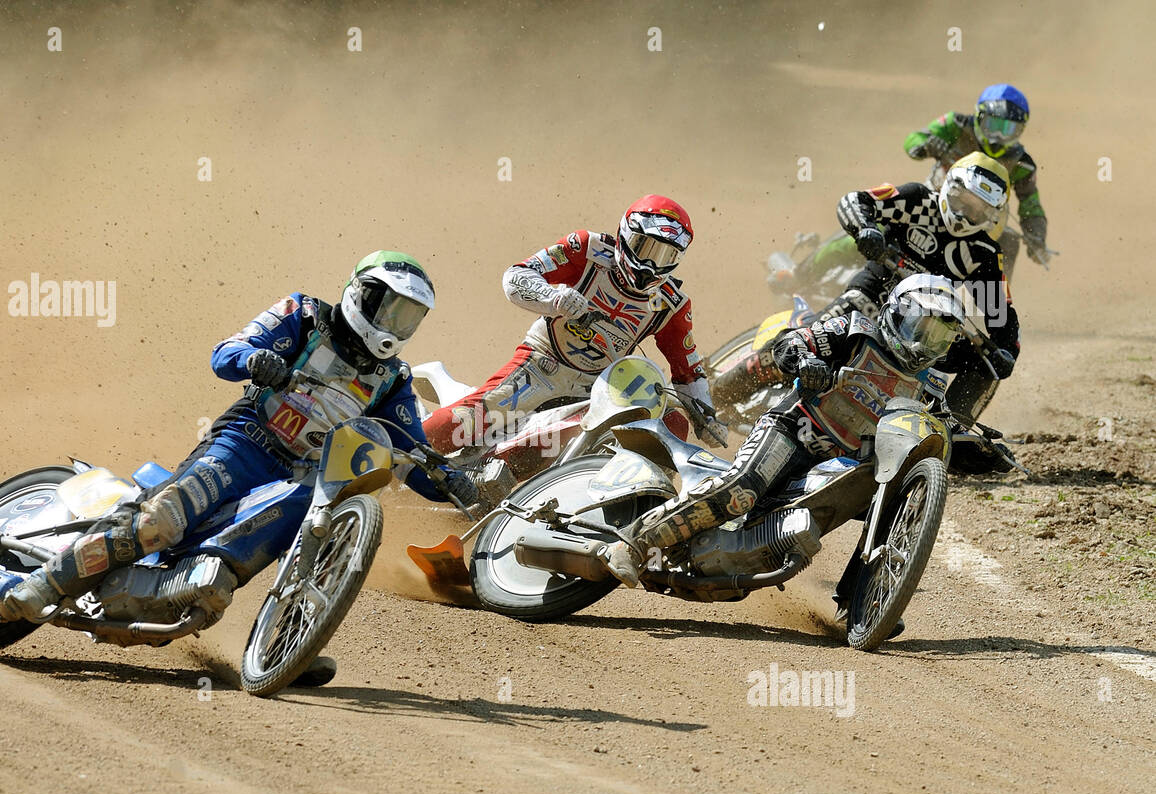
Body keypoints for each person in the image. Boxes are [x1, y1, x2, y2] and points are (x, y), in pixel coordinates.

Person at [1, 251, 474, 622]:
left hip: (306, 477)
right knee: (160, 520)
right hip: (245, 443)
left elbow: (410, 448)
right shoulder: (305, 314)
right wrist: (255, 361)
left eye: (407, 317)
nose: (395, 326)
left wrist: (455, 483)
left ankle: (295, 632)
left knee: (324, 544)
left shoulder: (393, 380)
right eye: (389, 309)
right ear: (361, 293)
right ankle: (46, 583)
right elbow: (226, 352)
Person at [601, 274, 969, 600]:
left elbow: (938, 424)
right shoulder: (855, 331)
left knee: (889, 501)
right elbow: (791, 344)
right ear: (896, 313)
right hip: (792, 429)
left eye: (940, 338)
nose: (926, 345)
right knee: (742, 489)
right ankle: (633, 543)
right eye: (921, 329)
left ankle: (865, 595)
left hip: (844, 465)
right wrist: (807, 363)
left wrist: (973, 443)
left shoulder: (932, 386)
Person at [421, 195, 729, 456]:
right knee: (462, 423)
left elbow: (687, 370)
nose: (651, 264)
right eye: (645, 247)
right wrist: (554, 298)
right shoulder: (587, 249)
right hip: (541, 365)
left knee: (673, 424)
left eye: (665, 255)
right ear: (625, 234)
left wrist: (705, 416)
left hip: (599, 390)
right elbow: (515, 276)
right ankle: (397, 454)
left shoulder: (672, 304)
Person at [820, 152, 1021, 419]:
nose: (963, 214)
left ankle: (952, 428)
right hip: (871, 299)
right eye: (962, 201)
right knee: (813, 337)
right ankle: (766, 361)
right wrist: (865, 228)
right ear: (950, 186)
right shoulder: (917, 199)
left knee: (987, 364)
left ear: (992, 215)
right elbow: (856, 200)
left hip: (924, 331)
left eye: (976, 210)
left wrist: (1005, 350)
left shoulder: (984, 252)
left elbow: (999, 311)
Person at [904, 84, 1049, 277]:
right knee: (895, 212)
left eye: (1008, 130)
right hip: (936, 198)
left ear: (1020, 131)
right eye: (994, 125)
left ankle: (991, 301)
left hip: (982, 220)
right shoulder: (954, 124)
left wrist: (1037, 236)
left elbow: (1031, 204)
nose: (998, 136)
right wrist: (925, 145)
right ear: (978, 116)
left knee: (1009, 241)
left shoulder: (1022, 164)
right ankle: (855, 243)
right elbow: (914, 138)